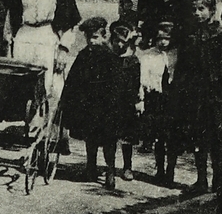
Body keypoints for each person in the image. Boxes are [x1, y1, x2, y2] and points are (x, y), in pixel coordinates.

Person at [171, 0, 222, 196]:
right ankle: (201, 179)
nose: (196, 13)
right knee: (199, 137)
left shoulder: (221, 35)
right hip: (196, 94)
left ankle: (219, 180)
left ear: (212, 10)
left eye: (201, 9)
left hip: (215, 94)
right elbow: (183, 66)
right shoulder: (191, 36)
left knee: (218, 138)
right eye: (194, 9)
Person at [6, 0, 83, 93]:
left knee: (46, 84)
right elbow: (10, 16)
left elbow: (69, 23)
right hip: (24, 37)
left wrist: (63, 50)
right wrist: (8, 41)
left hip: (47, 37)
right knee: (20, 84)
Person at [60, 17, 123, 190]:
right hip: (88, 105)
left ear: (104, 36)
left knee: (109, 140)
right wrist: (67, 100)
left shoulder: (110, 57)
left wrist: (114, 104)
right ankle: (91, 168)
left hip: (106, 106)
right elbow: (72, 80)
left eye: (95, 37)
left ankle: (110, 171)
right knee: (90, 138)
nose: (91, 41)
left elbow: (117, 85)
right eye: (89, 38)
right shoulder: (84, 55)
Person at [137, 17, 181, 185]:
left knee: (172, 137)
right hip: (155, 99)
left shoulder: (177, 54)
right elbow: (143, 77)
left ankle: (170, 170)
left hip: (172, 99)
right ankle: (160, 169)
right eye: (160, 38)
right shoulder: (149, 55)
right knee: (159, 137)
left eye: (167, 38)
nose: (163, 42)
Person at [110, 22, 143, 182]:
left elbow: (136, 84)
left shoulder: (133, 61)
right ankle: (109, 168)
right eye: (116, 40)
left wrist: (136, 101)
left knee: (127, 137)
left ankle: (127, 167)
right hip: (110, 102)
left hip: (126, 104)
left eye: (123, 41)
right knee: (109, 135)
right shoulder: (109, 59)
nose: (119, 44)